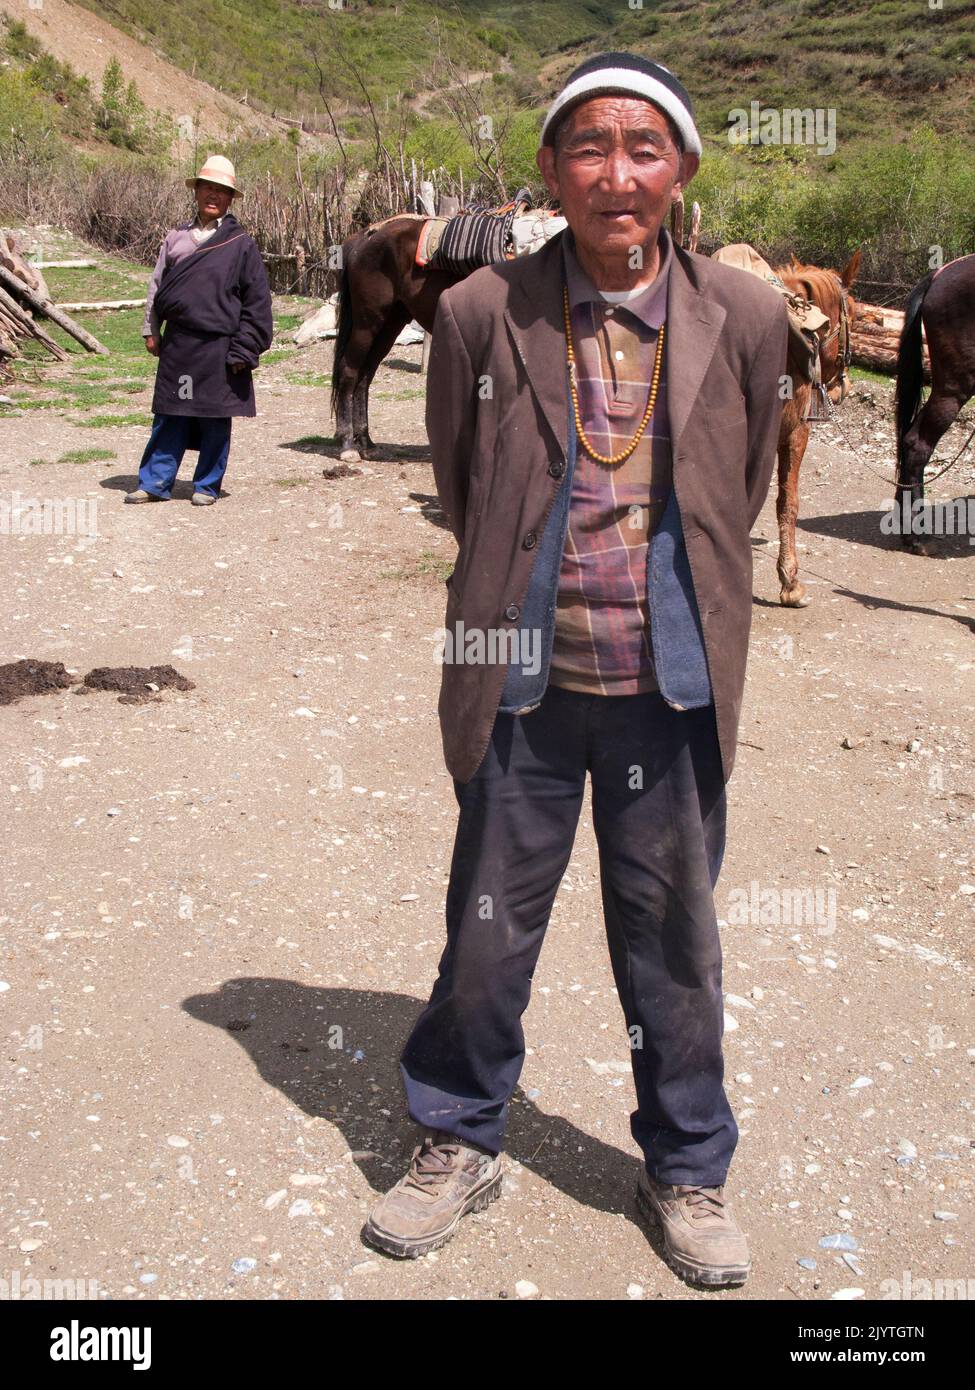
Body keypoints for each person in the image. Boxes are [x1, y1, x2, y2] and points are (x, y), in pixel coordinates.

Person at [363, 51, 789, 1285]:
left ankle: (688, 1163)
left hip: (672, 680)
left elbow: (738, 494)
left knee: (673, 939)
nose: (617, 174)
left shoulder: (747, 318)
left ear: (682, 170)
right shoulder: (480, 312)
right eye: (590, 148)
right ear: (550, 168)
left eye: (644, 148)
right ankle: (456, 1134)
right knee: (488, 930)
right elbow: (462, 484)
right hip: (521, 680)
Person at [126, 155, 273, 505]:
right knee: (169, 414)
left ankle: (207, 485)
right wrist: (152, 329)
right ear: (197, 192)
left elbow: (257, 302)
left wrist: (244, 348)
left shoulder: (241, 245)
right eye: (208, 188)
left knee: (214, 418)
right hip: (179, 345)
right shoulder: (175, 238)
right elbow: (157, 286)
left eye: (222, 191)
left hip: (219, 348)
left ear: (230, 198)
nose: (214, 196)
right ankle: (155, 483)